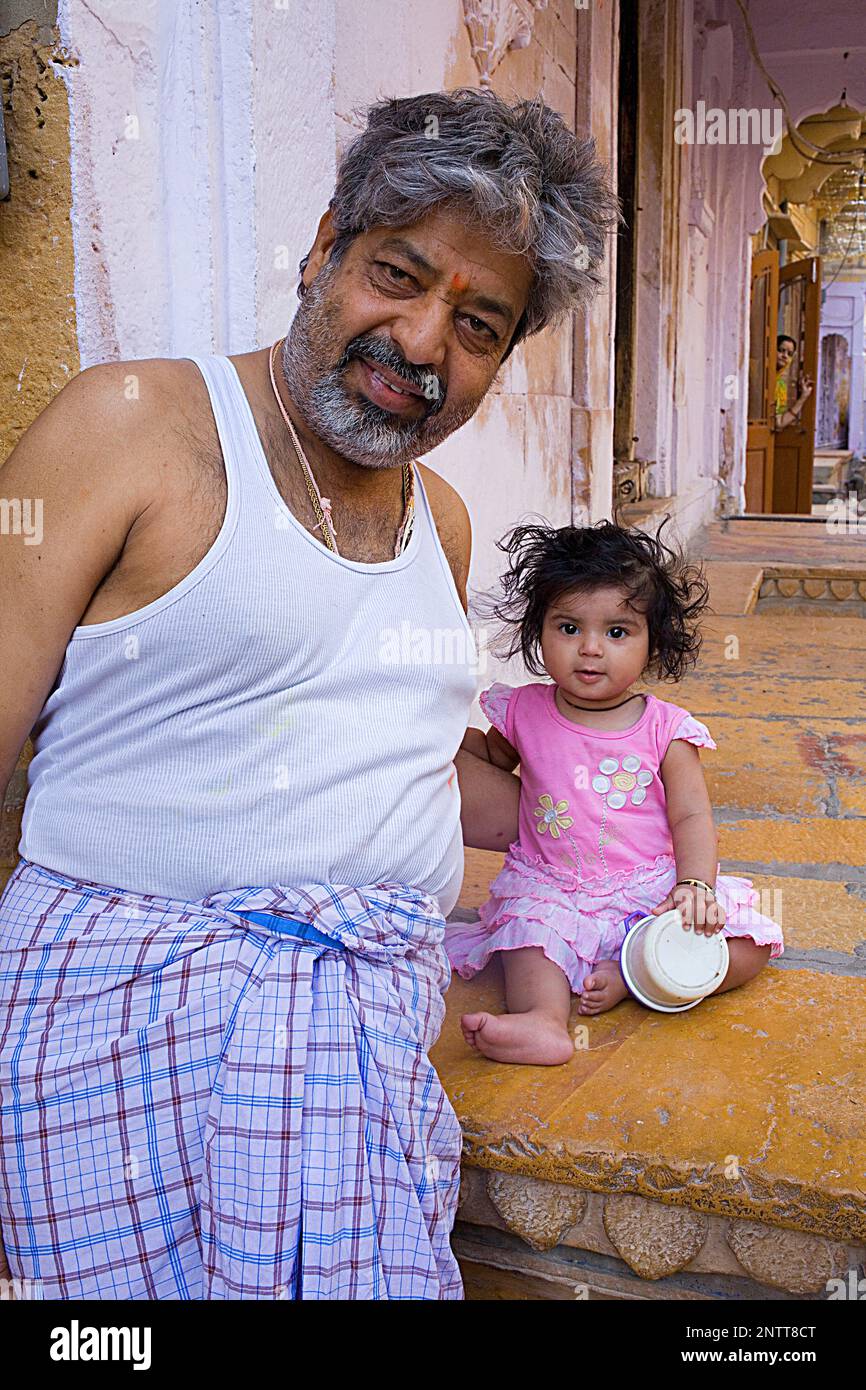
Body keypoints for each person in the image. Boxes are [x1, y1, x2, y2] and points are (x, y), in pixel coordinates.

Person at [0, 87, 616, 1298]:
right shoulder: (131, 427)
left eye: (479, 324)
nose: (425, 342)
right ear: (323, 246)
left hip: (362, 1061)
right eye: (397, 273)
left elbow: (387, 749)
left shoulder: (437, 522)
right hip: (111, 1047)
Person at [446, 520, 784, 1066]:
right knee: (528, 941)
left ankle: (638, 974)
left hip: (648, 890)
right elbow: (491, 759)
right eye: (569, 627)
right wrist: (436, 740)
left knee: (748, 946)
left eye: (617, 632)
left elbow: (692, 816)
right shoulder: (525, 712)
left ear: (654, 644)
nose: (590, 650)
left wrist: (693, 885)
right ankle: (543, 1021)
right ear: (540, 632)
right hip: (553, 886)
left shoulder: (666, 730)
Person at [775, 333, 813, 429]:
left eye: (789, 354)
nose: (785, 356)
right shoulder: (757, 375)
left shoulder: (780, 386)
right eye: (781, 350)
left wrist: (803, 397)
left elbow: (779, 423)